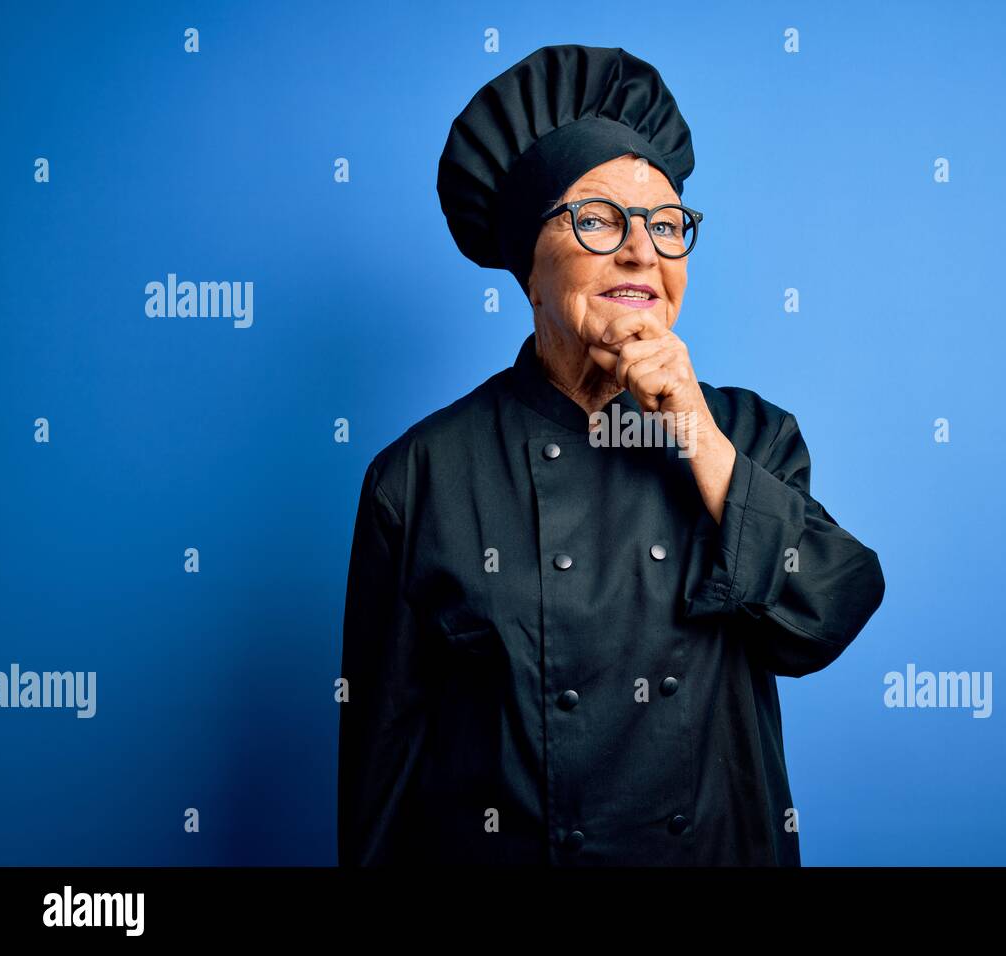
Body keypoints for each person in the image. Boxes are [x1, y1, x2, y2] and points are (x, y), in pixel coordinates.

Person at [337, 43, 885, 866]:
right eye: (597, 219)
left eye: (667, 226)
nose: (641, 251)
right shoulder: (419, 478)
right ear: (529, 264)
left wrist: (695, 430)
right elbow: (380, 778)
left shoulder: (751, 435)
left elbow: (831, 611)